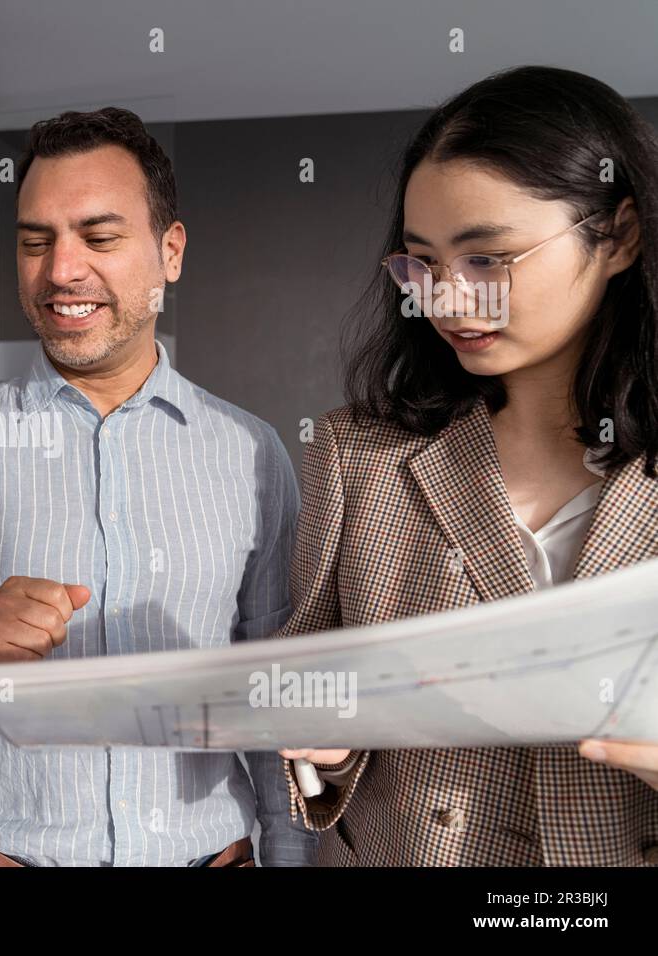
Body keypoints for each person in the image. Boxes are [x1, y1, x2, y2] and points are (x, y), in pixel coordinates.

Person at [0, 107, 318, 867]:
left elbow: (274, 684)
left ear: (170, 252)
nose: (62, 270)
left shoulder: (252, 455)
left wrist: (288, 857)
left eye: (98, 237)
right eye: (36, 241)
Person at [278, 66, 658, 866]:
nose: (447, 301)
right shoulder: (359, 457)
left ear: (619, 235)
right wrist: (325, 747)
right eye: (422, 262)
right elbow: (314, 692)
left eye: (489, 259)